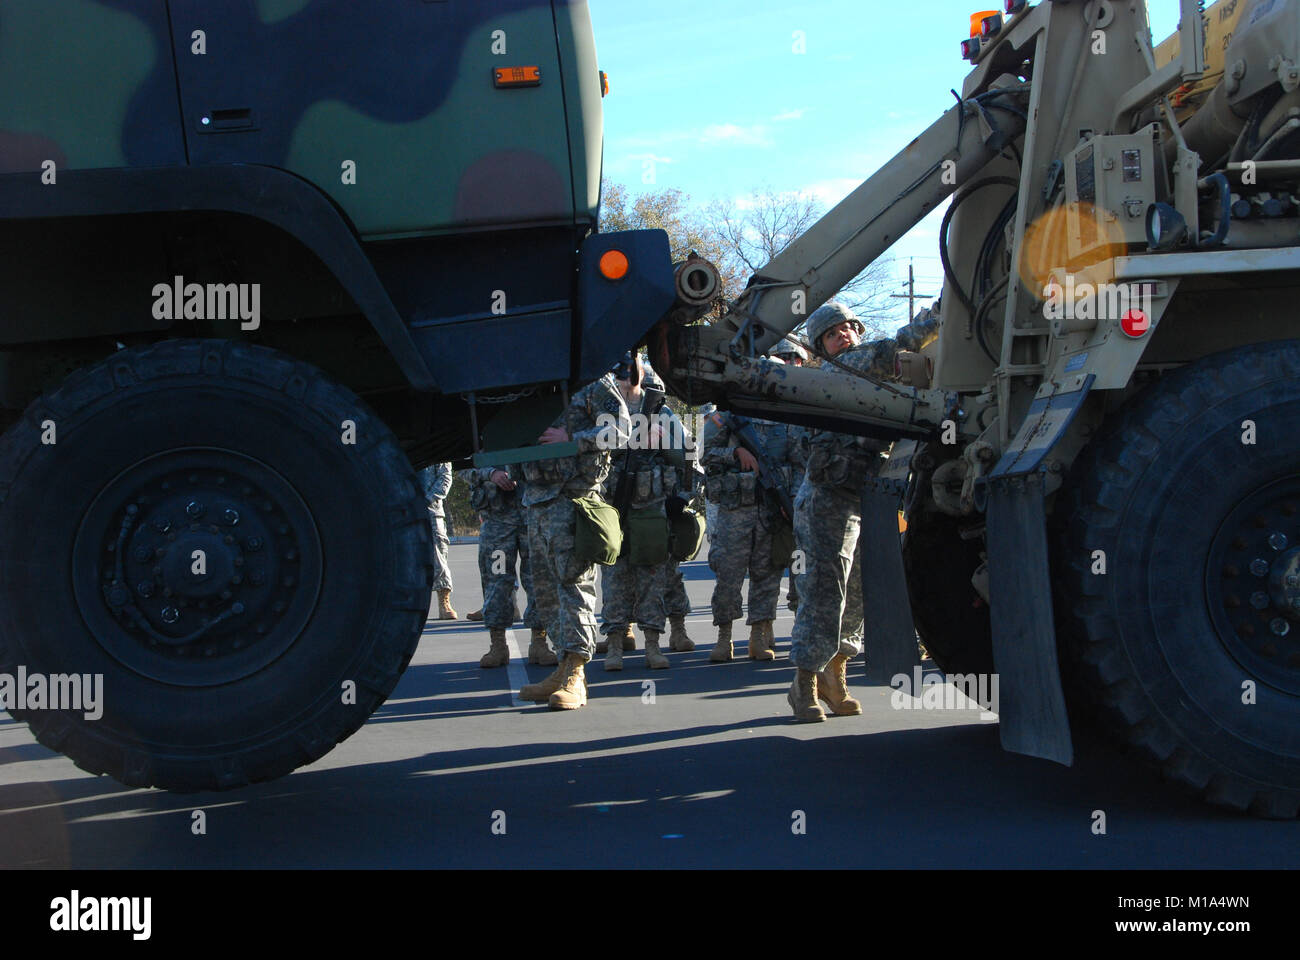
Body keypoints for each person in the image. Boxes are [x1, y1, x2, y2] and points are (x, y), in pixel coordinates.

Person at [786, 301, 935, 721]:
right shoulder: (842, 369)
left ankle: (835, 676)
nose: (845, 335)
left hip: (869, 495)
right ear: (822, 347)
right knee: (823, 591)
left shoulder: (868, 375)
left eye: (850, 328)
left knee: (858, 592)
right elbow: (899, 346)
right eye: (834, 333)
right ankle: (803, 685)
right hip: (828, 500)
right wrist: (939, 314)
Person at [517, 372, 630, 710]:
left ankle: (576, 677)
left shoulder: (593, 382)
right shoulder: (527, 387)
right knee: (545, 590)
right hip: (536, 502)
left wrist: (572, 437)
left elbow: (621, 430)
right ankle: (562, 666)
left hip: (573, 500)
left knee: (574, 585)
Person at [700, 389, 807, 663]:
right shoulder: (726, 416)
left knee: (767, 573)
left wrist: (791, 500)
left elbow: (798, 464)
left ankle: (758, 637)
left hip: (771, 509)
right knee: (728, 573)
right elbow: (705, 454)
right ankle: (724, 638)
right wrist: (735, 452)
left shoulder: (787, 420)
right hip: (735, 510)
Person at [596, 353, 687, 670]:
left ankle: (653, 644)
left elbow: (684, 457)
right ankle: (615, 646)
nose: (623, 385)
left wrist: (661, 440)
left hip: (650, 510)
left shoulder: (663, 417)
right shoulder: (606, 414)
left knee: (652, 579)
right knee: (614, 581)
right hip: (613, 509)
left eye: (628, 378)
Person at [457, 465, 551, 668]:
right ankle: (498, 645)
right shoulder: (477, 434)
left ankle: (539, 642)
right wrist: (490, 474)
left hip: (532, 514)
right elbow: (463, 466)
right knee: (497, 581)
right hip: (497, 520)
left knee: (538, 580)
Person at [419, 462, 457, 619]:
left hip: (431, 510)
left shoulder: (435, 445)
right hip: (402, 511)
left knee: (439, 556)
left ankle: (444, 602)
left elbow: (445, 477)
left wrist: (427, 500)